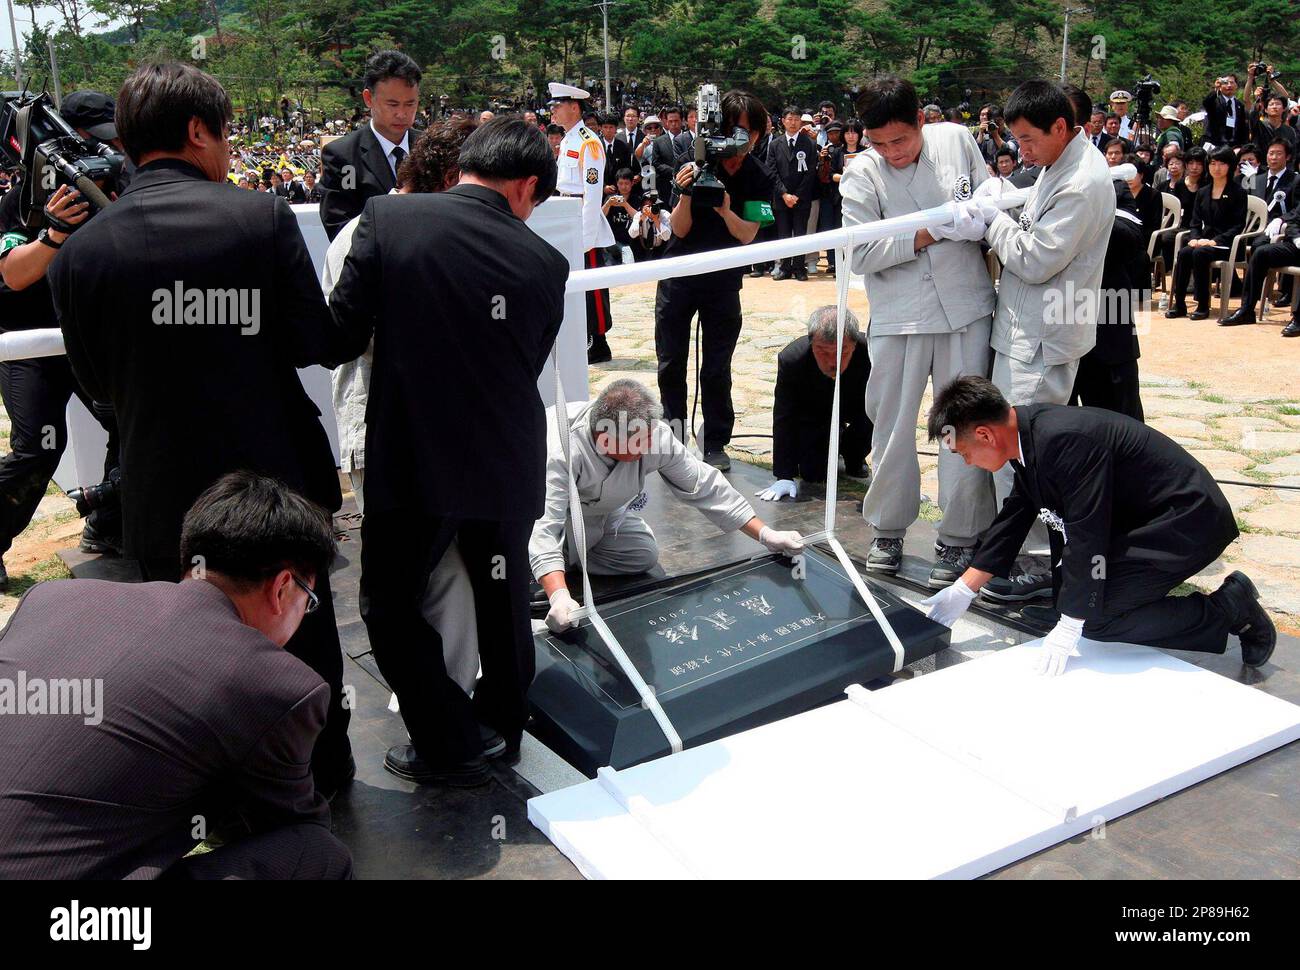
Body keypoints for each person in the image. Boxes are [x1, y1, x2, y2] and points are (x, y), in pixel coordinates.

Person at [49, 61, 356, 796]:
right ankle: (320, 772)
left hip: (162, 492)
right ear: (197, 132)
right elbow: (316, 339)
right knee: (301, 626)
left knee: (188, 642)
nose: (229, 150)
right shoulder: (257, 217)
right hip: (274, 475)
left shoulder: (82, 252)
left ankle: (220, 790)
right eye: (226, 134)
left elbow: (94, 385)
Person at [328, 117, 567, 785]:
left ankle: (451, 741)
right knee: (502, 595)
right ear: (525, 186)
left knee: (390, 603)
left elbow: (338, 335)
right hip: (506, 456)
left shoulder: (389, 219)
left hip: (416, 459)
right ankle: (502, 728)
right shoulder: (545, 263)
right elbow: (524, 356)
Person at [0, 473, 354, 879]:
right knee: (316, 854)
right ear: (282, 588)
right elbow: (290, 824)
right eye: (307, 603)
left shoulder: (51, 598)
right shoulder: (274, 683)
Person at [920, 377, 1275, 674]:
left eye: (963, 452)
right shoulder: (1028, 436)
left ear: (984, 434)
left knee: (1095, 618)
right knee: (1076, 597)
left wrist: (1075, 621)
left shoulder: (1063, 439)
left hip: (1185, 522)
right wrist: (965, 588)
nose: (968, 462)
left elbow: (1087, 531)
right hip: (1145, 521)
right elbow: (1016, 514)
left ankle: (1229, 608)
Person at [840, 74, 998, 586]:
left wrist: (983, 213)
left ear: (922, 122)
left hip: (966, 309)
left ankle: (959, 536)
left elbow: (989, 192)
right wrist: (931, 232)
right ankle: (887, 527)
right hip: (900, 317)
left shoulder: (956, 139)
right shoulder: (861, 175)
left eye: (901, 140)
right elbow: (861, 251)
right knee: (891, 426)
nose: (892, 151)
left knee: (966, 427)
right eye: (879, 143)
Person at [970, 78, 1114, 603]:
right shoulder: (1061, 163)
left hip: (1042, 336)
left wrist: (993, 221)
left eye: (1029, 140)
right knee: (1022, 453)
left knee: (1021, 457)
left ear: (1061, 127)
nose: (1021, 151)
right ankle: (1027, 556)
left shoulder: (1081, 182)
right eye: (1017, 140)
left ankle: (1033, 564)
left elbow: (1034, 259)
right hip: (1029, 328)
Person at [534, 380, 804, 631]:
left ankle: (570, 560)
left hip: (603, 515)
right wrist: (559, 596)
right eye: (640, 443)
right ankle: (549, 571)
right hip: (550, 517)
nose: (650, 445)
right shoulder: (562, 449)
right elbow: (545, 524)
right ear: (607, 440)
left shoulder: (649, 434)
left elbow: (704, 484)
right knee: (535, 563)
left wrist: (766, 535)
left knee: (642, 554)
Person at [655, 89, 776, 471]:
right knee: (670, 360)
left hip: (724, 281)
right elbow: (678, 227)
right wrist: (687, 193)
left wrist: (724, 208)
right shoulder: (689, 159)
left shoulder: (761, 175)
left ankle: (715, 441)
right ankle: (672, 436)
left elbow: (748, 234)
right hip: (679, 275)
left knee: (717, 365)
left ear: (758, 134)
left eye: (747, 132)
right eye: (730, 130)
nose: (738, 140)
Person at [758, 306, 871, 501]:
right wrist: (784, 475)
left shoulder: (872, 352)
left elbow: (890, 406)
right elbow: (785, 415)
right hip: (814, 412)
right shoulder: (792, 359)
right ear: (811, 344)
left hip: (860, 408)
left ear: (853, 344)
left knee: (875, 416)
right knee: (813, 473)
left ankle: (854, 455)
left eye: (841, 352)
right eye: (823, 352)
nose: (832, 362)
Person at [318, 49, 421, 239]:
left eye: (410, 104)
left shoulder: (430, 147)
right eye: (392, 104)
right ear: (368, 99)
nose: (402, 114)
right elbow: (339, 227)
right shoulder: (343, 156)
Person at [550, 82, 616, 363]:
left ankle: (598, 339)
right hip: (566, 214)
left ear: (574, 107)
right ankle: (581, 336)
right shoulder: (567, 140)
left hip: (581, 217)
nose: (553, 110)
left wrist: (587, 236)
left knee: (592, 284)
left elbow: (592, 191)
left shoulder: (589, 141)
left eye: (558, 105)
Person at [1069, 181, 1146, 420]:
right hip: (1051, 329)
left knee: (1121, 423)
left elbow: (1131, 240)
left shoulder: (1109, 183)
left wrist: (1081, 213)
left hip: (1108, 321)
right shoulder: (1023, 184)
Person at [1222, 141, 1300, 329]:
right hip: (1270, 231)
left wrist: (1282, 222)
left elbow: (1294, 210)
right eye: (1270, 153)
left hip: (1279, 232)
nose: (1273, 157)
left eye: (1278, 154)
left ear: (1288, 157)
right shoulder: (1257, 178)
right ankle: (1247, 309)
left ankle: (1296, 313)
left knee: (1260, 244)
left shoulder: (1295, 180)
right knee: (1260, 252)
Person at [1167, 146, 1248, 320]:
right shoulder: (1203, 192)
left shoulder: (1238, 192)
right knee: (1185, 252)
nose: (1216, 168)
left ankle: (1203, 304)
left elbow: (1238, 225)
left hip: (1228, 243)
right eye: (1212, 163)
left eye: (1221, 164)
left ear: (1230, 166)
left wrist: (1215, 241)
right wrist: (1195, 238)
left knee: (1200, 253)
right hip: (1204, 240)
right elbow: (1195, 222)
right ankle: (1179, 303)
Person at [769, 106, 818, 281]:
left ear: (801, 121)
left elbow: (811, 172)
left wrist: (797, 195)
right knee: (783, 234)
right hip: (781, 198)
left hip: (801, 198)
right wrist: (784, 194)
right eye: (789, 119)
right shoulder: (775, 144)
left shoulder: (810, 144)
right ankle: (784, 267)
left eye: (796, 119)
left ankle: (799, 267)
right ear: (783, 121)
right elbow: (772, 171)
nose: (792, 122)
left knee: (800, 233)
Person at [1203, 74, 1248, 148]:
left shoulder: (1240, 105)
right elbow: (1206, 103)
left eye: (1232, 82)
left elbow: (1242, 127)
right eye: (1226, 83)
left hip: (1234, 145)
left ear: (1236, 86)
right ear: (1220, 87)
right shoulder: (1214, 102)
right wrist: (1215, 89)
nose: (1229, 85)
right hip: (1215, 144)